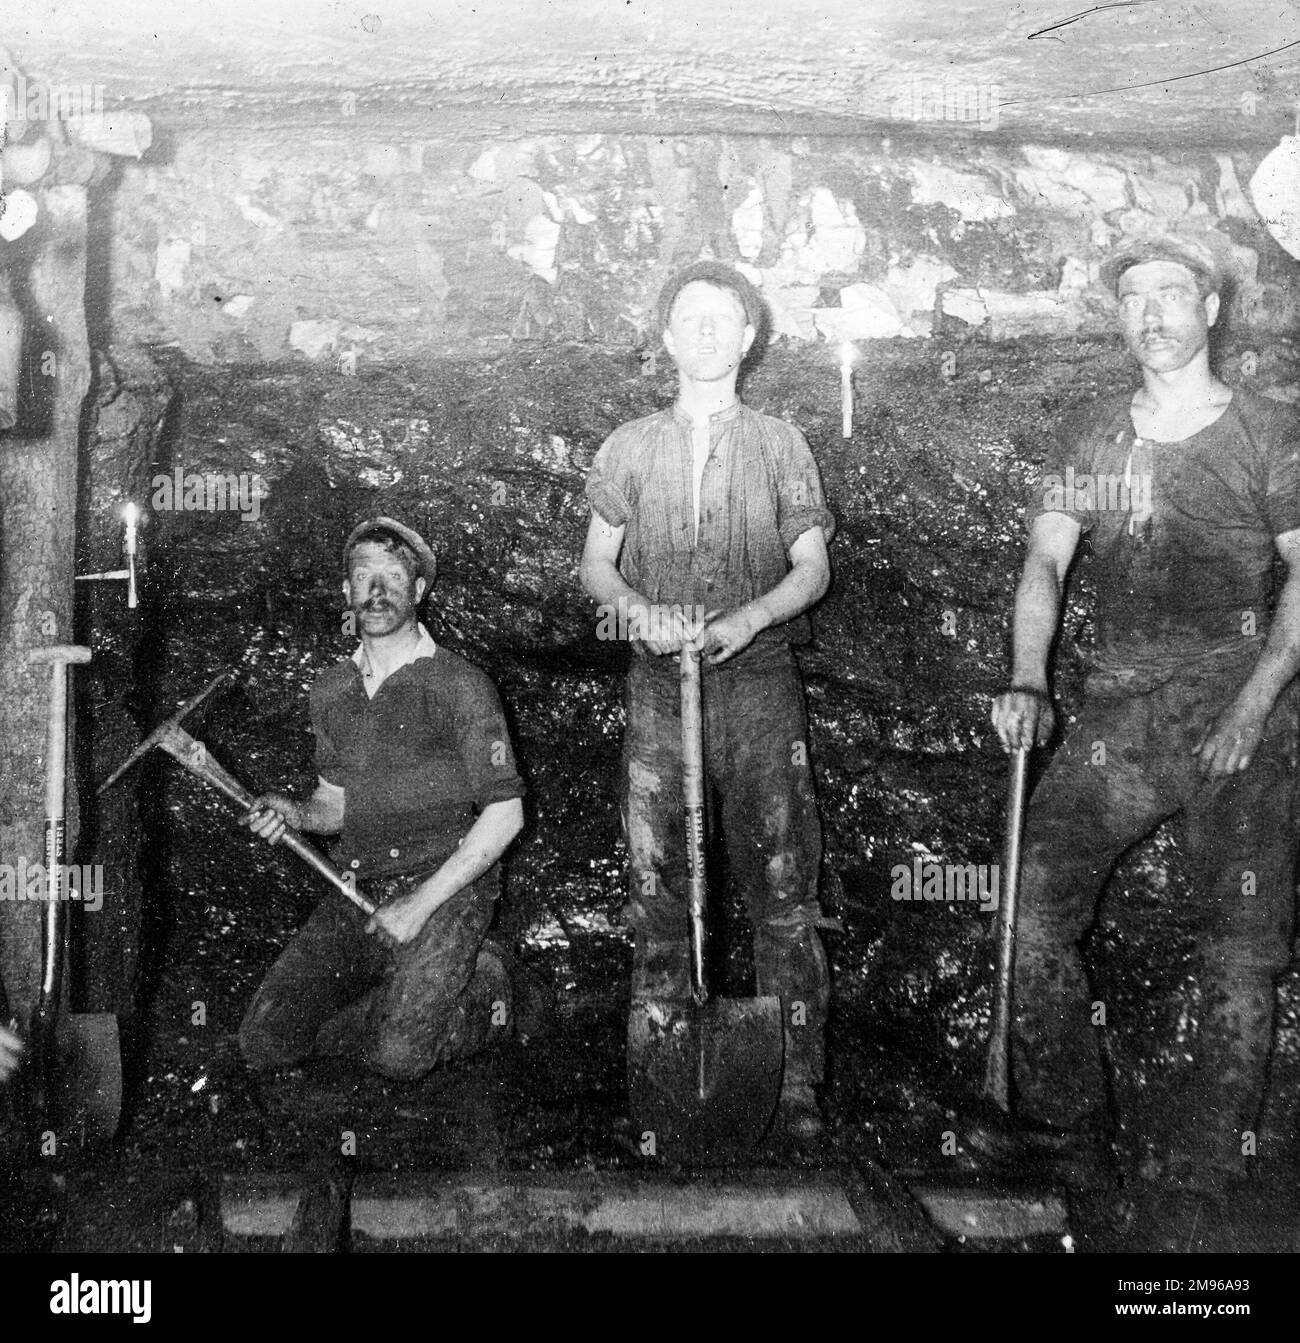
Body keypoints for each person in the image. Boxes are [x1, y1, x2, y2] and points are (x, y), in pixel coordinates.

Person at [978, 231, 1300, 1206]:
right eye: (1135, 296)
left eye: (1172, 292)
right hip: (1123, 721)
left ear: (1209, 308)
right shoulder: (1089, 432)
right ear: (1119, 316)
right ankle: (1074, 1147)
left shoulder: (1266, 430)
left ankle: (1203, 1178)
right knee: (1030, 911)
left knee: (1241, 941)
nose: (1153, 311)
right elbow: (1044, 562)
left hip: (1240, 711)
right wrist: (1028, 680)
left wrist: (1255, 702)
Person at [579, 260, 836, 1139]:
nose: (705, 332)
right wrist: (640, 614)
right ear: (666, 335)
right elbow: (596, 564)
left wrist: (747, 618)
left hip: (759, 686)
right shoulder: (628, 446)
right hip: (659, 690)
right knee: (657, 885)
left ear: (749, 336)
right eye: (689, 318)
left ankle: (794, 1084)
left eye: (723, 319)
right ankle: (666, 1074)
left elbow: (813, 568)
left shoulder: (781, 443)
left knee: (781, 886)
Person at [238, 516, 546, 1080]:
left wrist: (419, 905)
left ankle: (491, 985)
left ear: (419, 590)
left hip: (448, 885)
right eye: (363, 576)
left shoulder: (458, 683)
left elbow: (507, 813)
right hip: (359, 882)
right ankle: (408, 987)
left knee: (397, 1058)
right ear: (347, 591)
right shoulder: (331, 689)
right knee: (266, 1040)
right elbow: (335, 805)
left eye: (394, 576)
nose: (377, 592)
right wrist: (297, 813)